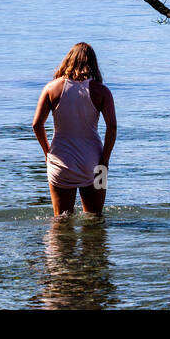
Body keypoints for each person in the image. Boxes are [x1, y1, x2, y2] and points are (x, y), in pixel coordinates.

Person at [32, 42, 117, 217]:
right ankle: (95, 245)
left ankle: (61, 244)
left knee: (61, 220)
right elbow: (112, 126)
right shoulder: (102, 91)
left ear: (68, 60)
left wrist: (47, 152)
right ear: (93, 63)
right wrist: (105, 160)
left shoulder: (50, 88)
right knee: (95, 218)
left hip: (60, 161)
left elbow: (36, 125)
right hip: (96, 163)